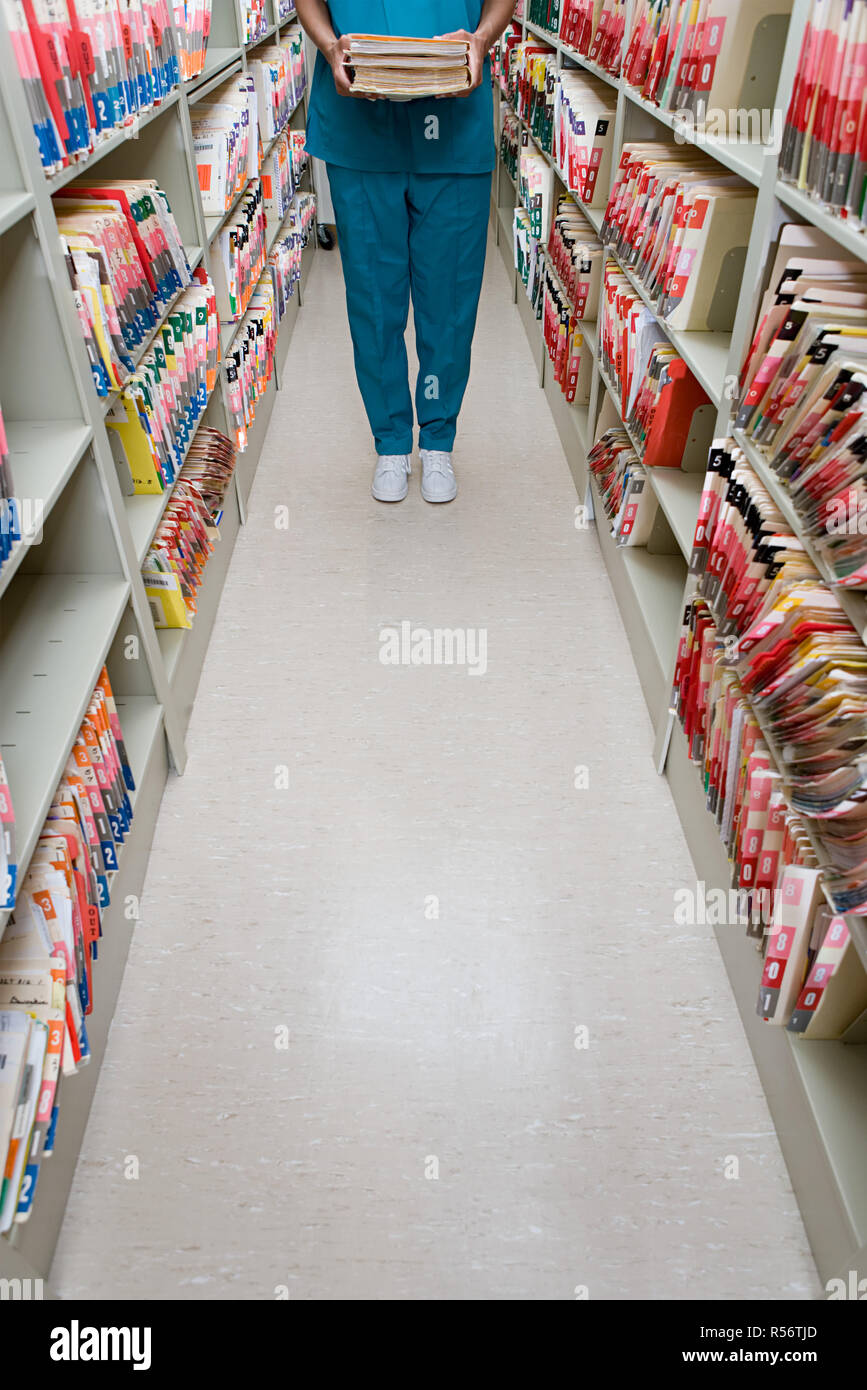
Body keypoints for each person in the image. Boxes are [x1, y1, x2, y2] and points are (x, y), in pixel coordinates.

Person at [296, 1, 517, 503]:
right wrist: (331, 47)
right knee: (375, 298)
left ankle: (437, 439)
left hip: (453, 120)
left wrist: (481, 40)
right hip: (361, 119)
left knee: (448, 300)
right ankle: (392, 440)